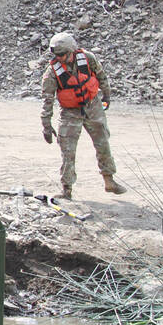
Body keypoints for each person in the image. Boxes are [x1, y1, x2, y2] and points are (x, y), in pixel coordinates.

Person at [40, 32, 127, 199]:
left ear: (72, 50)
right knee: (67, 150)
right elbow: (47, 100)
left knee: (103, 144)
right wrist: (46, 126)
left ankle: (109, 181)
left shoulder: (88, 59)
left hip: (93, 106)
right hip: (70, 113)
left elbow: (101, 76)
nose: (60, 58)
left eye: (63, 54)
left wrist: (107, 95)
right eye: (57, 55)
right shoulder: (52, 73)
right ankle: (67, 190)